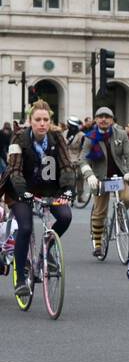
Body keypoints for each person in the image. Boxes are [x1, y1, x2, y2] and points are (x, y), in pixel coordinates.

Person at [3, 101, 75, 300]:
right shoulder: (18, 137)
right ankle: (20, 281)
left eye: (45, 120)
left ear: (50, 121)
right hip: (19, 189)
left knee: (65, 216)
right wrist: (23, 192)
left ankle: (46, 249)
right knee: (25, 228)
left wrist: (68, 190)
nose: (42, 123)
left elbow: (67, 165)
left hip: (47, 189)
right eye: (38, 120)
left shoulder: (57, 137)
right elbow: (15, 169)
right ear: (30, 121)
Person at [79, 105, 129, 259]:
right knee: (99, 212)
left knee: (127, 198)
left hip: (119, 176)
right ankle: (98, 244)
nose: (103, 119)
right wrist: (89, 175)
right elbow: (82, 159)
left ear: (112, 120)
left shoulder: (121, 134)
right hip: (100, 178)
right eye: (100, 117)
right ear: (96, 120)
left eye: (107, 117)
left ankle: (120, 216)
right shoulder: (90, 137)